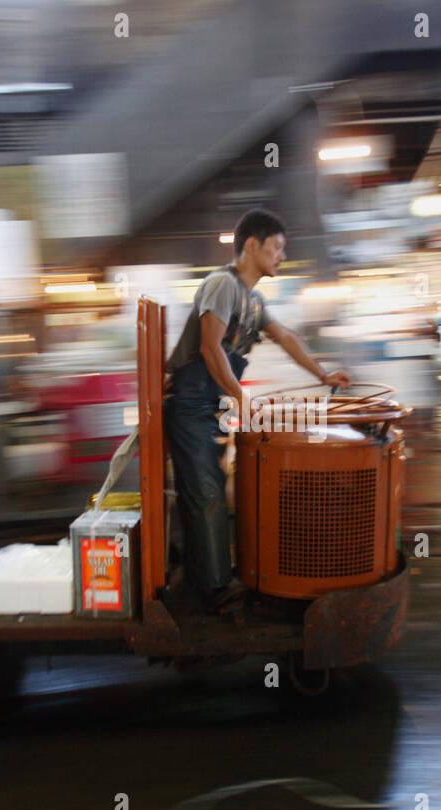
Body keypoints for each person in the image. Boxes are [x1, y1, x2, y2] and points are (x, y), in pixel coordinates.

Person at [163, 208, 350, 617]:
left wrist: (323, 374)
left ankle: (207, 575)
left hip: (208, 406)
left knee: (209, 489)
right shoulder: (221, 285)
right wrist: (241, 399)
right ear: (252, 245)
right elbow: (211, 349)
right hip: (191, 405)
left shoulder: (253, 300)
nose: (282, 255)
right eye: (277, 247)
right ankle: (212, 591)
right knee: (207, 493)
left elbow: (285, 336)